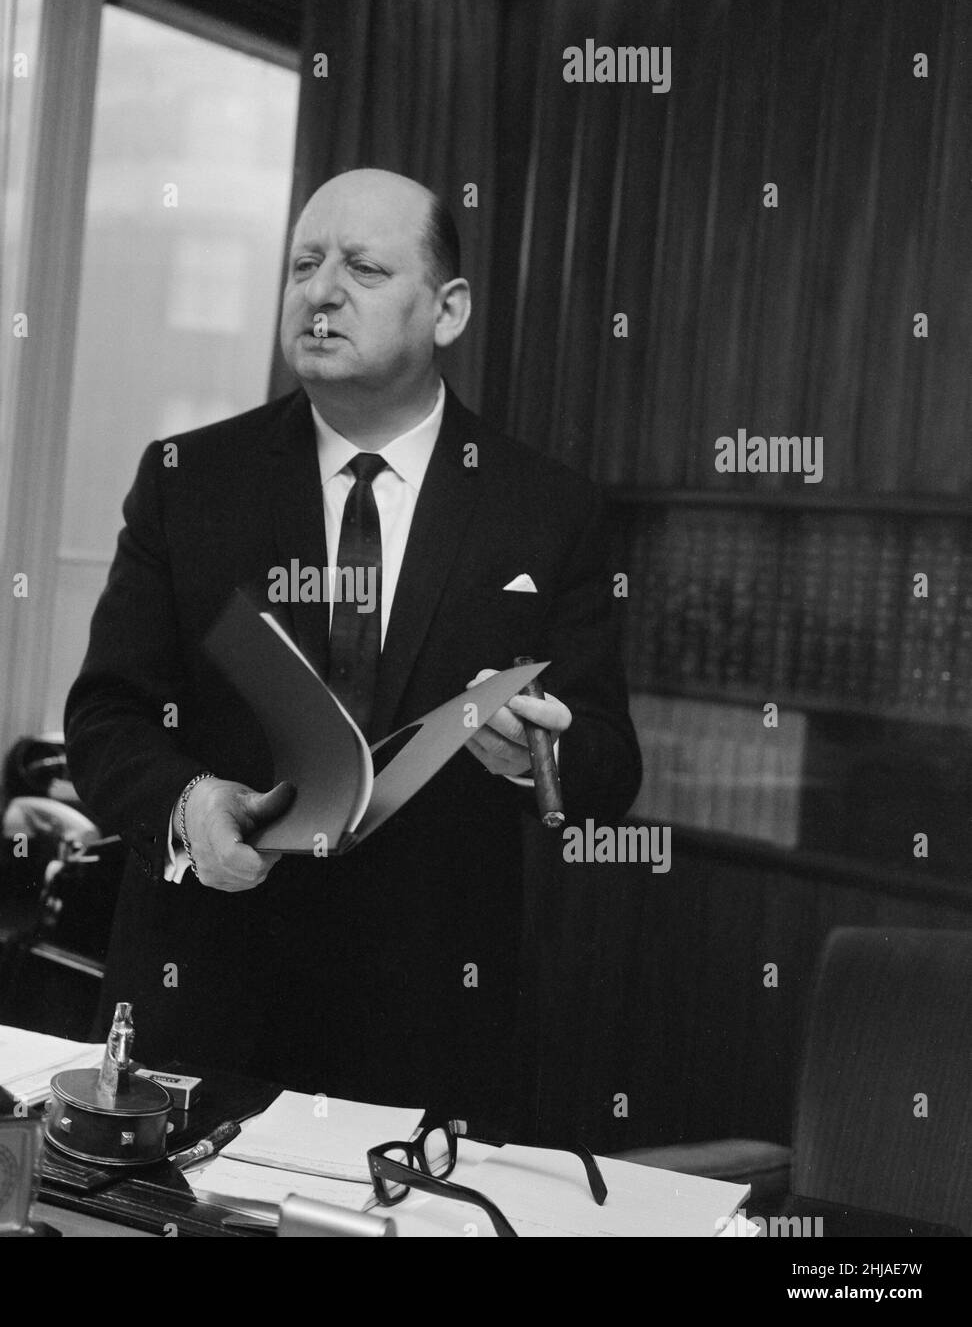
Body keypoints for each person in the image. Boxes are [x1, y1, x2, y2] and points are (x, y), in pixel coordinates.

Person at [66, 168, 640, 1132]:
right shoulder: (189, 481)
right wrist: (186, 802)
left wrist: (537, 753)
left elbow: (610, 761)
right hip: (202, 1002)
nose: (320, 291)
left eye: (364, 268)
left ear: (447, 309)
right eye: (303, 264)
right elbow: (105, 716)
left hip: (426, 1024)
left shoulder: (546, 508)